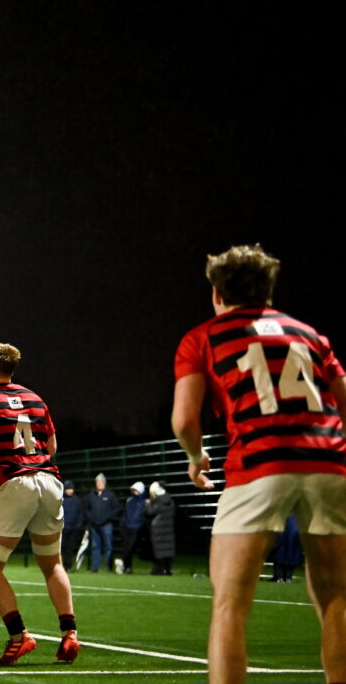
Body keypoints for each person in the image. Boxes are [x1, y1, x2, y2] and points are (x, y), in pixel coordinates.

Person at [171, 244, 346, 684]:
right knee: (337, 597)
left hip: (259, 464)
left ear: (216, 292)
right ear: (268, 289)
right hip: (329, 462)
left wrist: (196, 458)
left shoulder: (204, 337)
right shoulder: (309, 334)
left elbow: (184, 419)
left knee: (230, 604)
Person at [0, 342, 80, 667]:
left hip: (14, 483)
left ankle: (19, 636)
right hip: (49, 481)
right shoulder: (35, 398)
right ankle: (69, 633)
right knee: (52, 564)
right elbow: (51, 446)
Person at [84, 473, 117, 572]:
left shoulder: (110, 495)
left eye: (101, 482)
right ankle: (95, 567)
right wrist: (91, 518)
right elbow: (86, 509)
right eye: (98, 482)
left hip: (107, 525)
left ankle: (109, 567)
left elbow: (116, 509)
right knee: (95, 546)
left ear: (105, 483)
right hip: (94, 525)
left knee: (108, 546)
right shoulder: (91, 495)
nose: (99, 484)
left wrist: (107, 518)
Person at [115, 482, 147, 574]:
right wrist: (122, 525)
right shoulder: (130, 500)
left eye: (136, 490)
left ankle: (122, 563)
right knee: (127, 548)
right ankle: (127, 567)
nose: (134, 492)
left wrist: (140, 526)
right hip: (126, 527)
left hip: (136, 528)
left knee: (130, 548)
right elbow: (126, 514)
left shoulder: (143, 502)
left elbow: (142, 516)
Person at [145, 482, 175, 575]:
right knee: (168, 550)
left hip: (158, 529)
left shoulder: (157, 501)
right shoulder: (170, 500)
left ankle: (159, 569)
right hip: (168, 528)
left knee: (158, 551)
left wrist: (148, 504)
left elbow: (150, 512)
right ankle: (167, 569)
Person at [60, 481, 85, 571]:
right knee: (61, 548)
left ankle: (68, 566)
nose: (70, 491)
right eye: (68, 489)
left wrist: (78, 525)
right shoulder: (61, 499)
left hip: (74, 529)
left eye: (71, 489)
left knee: (69, 548)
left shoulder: (77, 500)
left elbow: (80, 513)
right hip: (62, 528)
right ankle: (61, 566)